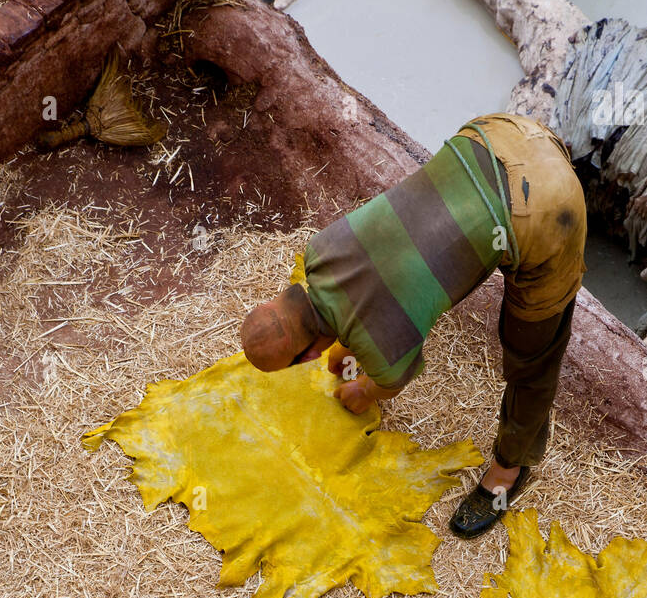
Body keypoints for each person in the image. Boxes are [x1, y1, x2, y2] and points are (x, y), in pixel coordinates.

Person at [241, 113, 586, 537]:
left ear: (309, 354)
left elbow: (389, 377)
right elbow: (370, 277)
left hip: (550, 207)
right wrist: (351, 347)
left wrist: (364, 390)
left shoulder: (382, 357)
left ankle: (507, 471)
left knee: (530, 355)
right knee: (452, 249)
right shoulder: (320, 248)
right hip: (498, 137)